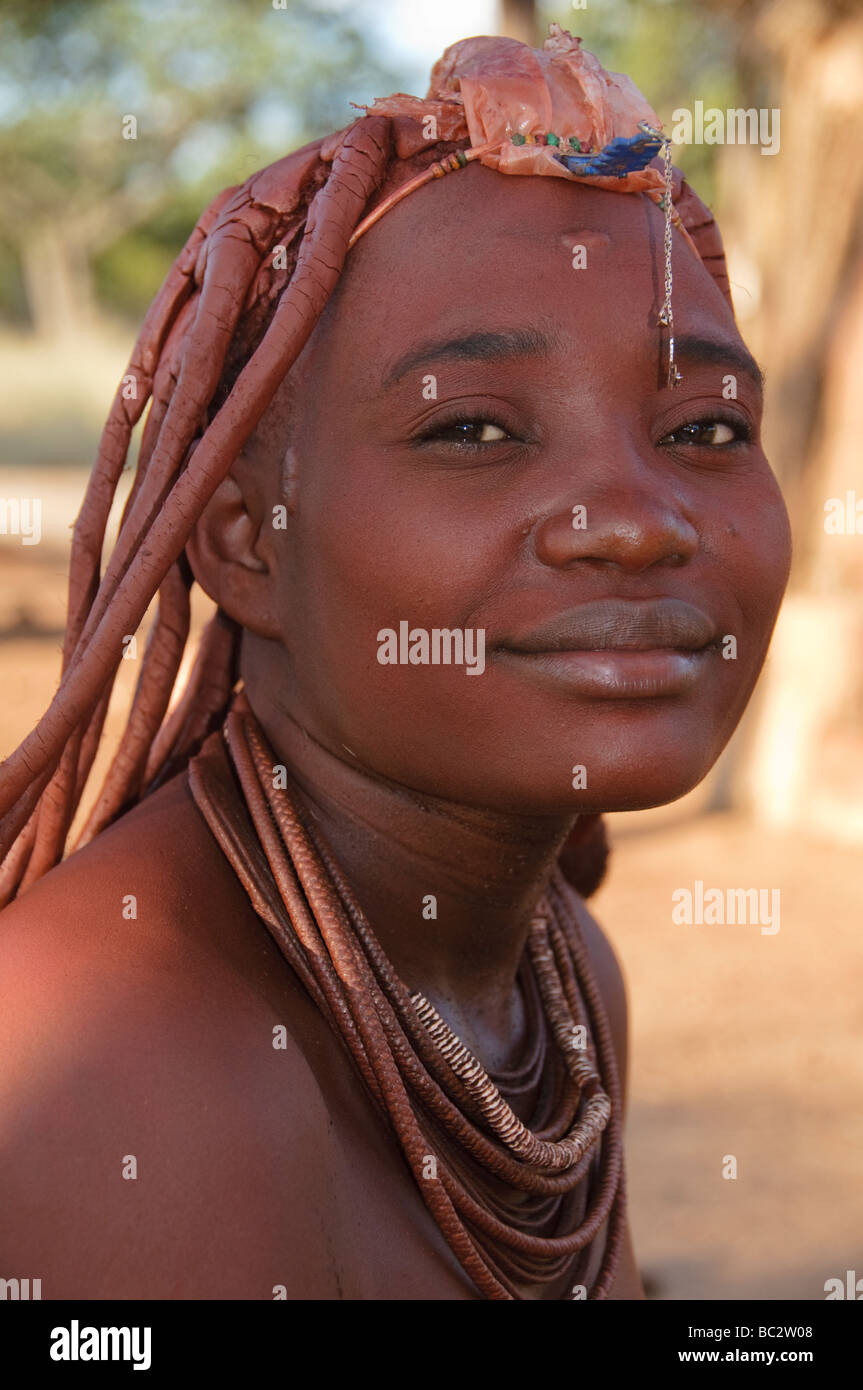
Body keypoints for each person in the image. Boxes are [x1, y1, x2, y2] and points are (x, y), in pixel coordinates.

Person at [0, 26, 791, 1300]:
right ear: (247, 541)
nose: (639, 518)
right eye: (471, 428)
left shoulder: (560, 978)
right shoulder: (137, 1077)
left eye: (704, 426)